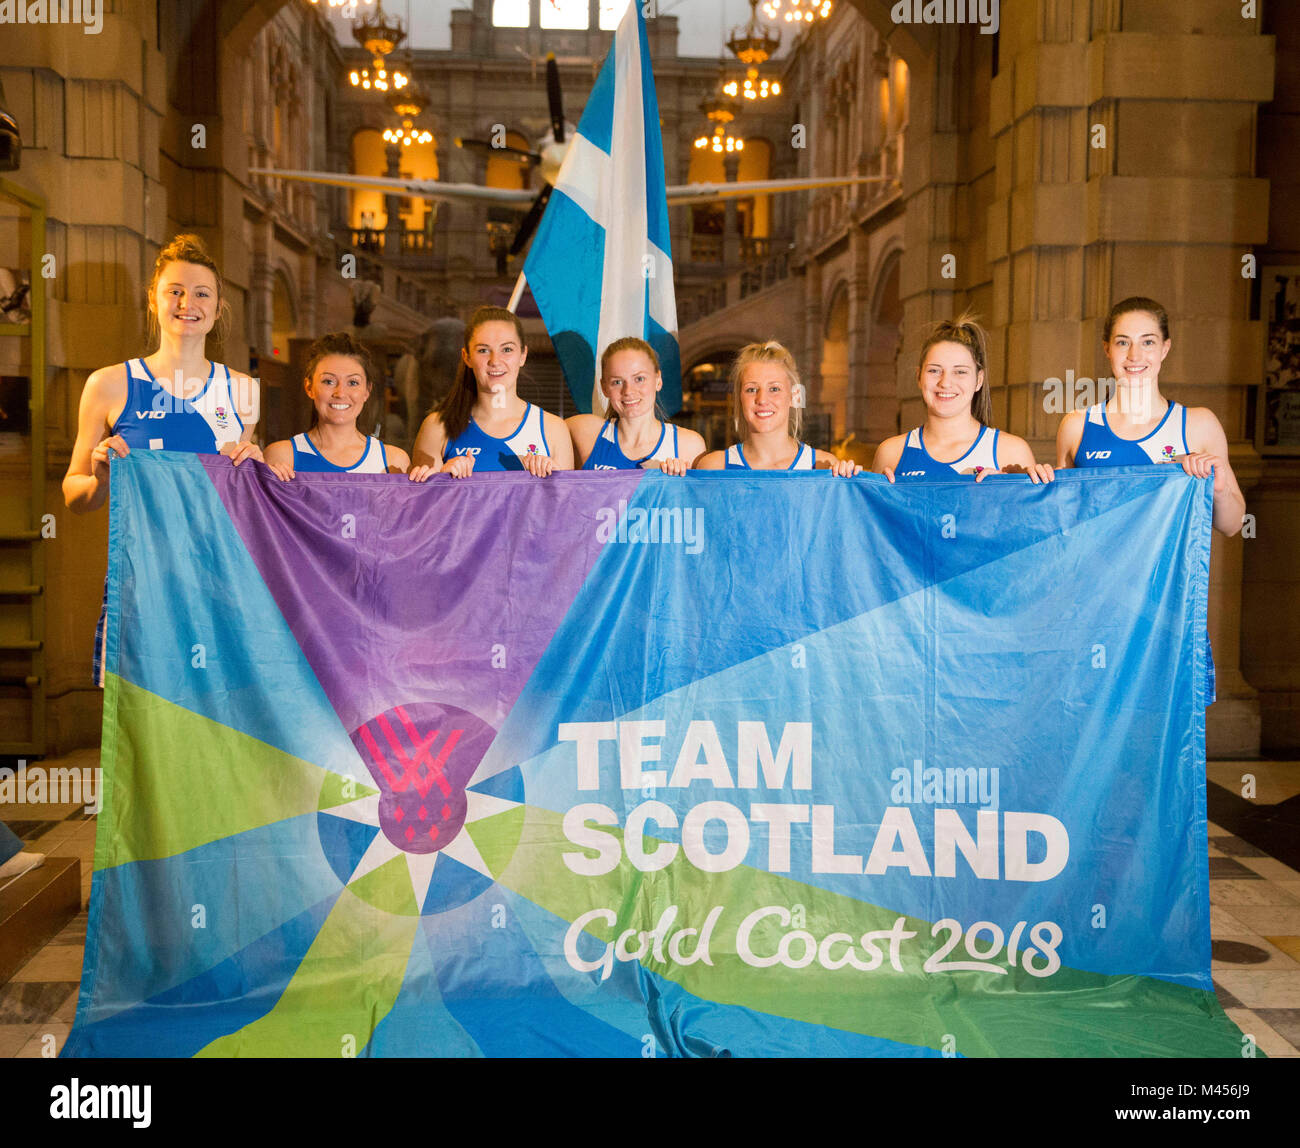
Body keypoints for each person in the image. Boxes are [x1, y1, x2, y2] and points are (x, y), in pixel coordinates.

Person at [61, 234, 262, 684]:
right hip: (141, 585)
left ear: (218, 307)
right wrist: (101, 478)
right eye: (174, 290)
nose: (186, 302)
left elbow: (246, 504)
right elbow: (76, 495)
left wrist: (258, 470)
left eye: (201, 293)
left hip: (219, 585)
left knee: (214, 735)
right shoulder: (109, 385)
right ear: (153, 300)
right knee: (138, 733)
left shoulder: (244, 391)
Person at [1056, 296, 1246, 536]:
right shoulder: (1077, 425)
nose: (1135, 356)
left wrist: (1218, 489)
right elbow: (1062, 519)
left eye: (1148, 342)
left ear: (1164, 349)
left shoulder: (1198, 424)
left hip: (1165, 573)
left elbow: (1233, 525)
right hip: (1094, 571)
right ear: (1107, 348)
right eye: (1123, 343)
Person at [872, 315, 1054, 483]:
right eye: (934, 370)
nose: (945, 382)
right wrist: (844, 478)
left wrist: (1006, 495)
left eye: (960, 372)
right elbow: (869, 516)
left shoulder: (1011, 452)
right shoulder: (891, 453)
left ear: (979, 380)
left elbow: (1030, 516)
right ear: (919, 377)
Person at [410, 305, 573, 478]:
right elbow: (423, 503)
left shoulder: (553, 429)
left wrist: (555, 481)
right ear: (467, 357)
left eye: (507, 349)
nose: (495, 361)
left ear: (523, 355)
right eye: (483, 350)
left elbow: (567, 504)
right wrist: (443, 480)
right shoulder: (437, 427)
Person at [263, 332, 416, 479]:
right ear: (309, 387)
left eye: (353, 382)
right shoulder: (282, 456)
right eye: (328, 381)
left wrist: (433, 483)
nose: (340, 393)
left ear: (367, 391)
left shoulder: (394, 462)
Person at [692, 341, 860, 475]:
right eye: (751, 389)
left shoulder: (823, 467)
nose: (762, 399)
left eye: (774, 389)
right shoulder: (714, 467)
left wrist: (852, 486)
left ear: (795, 396)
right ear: (739, 399)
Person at [566, 336, 705, 475]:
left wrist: (678, 485)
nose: (628, 391)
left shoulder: (687, 445)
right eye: (617, 382)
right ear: (604, 387)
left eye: (639, 379)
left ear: (658, 380)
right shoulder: (585, 432)